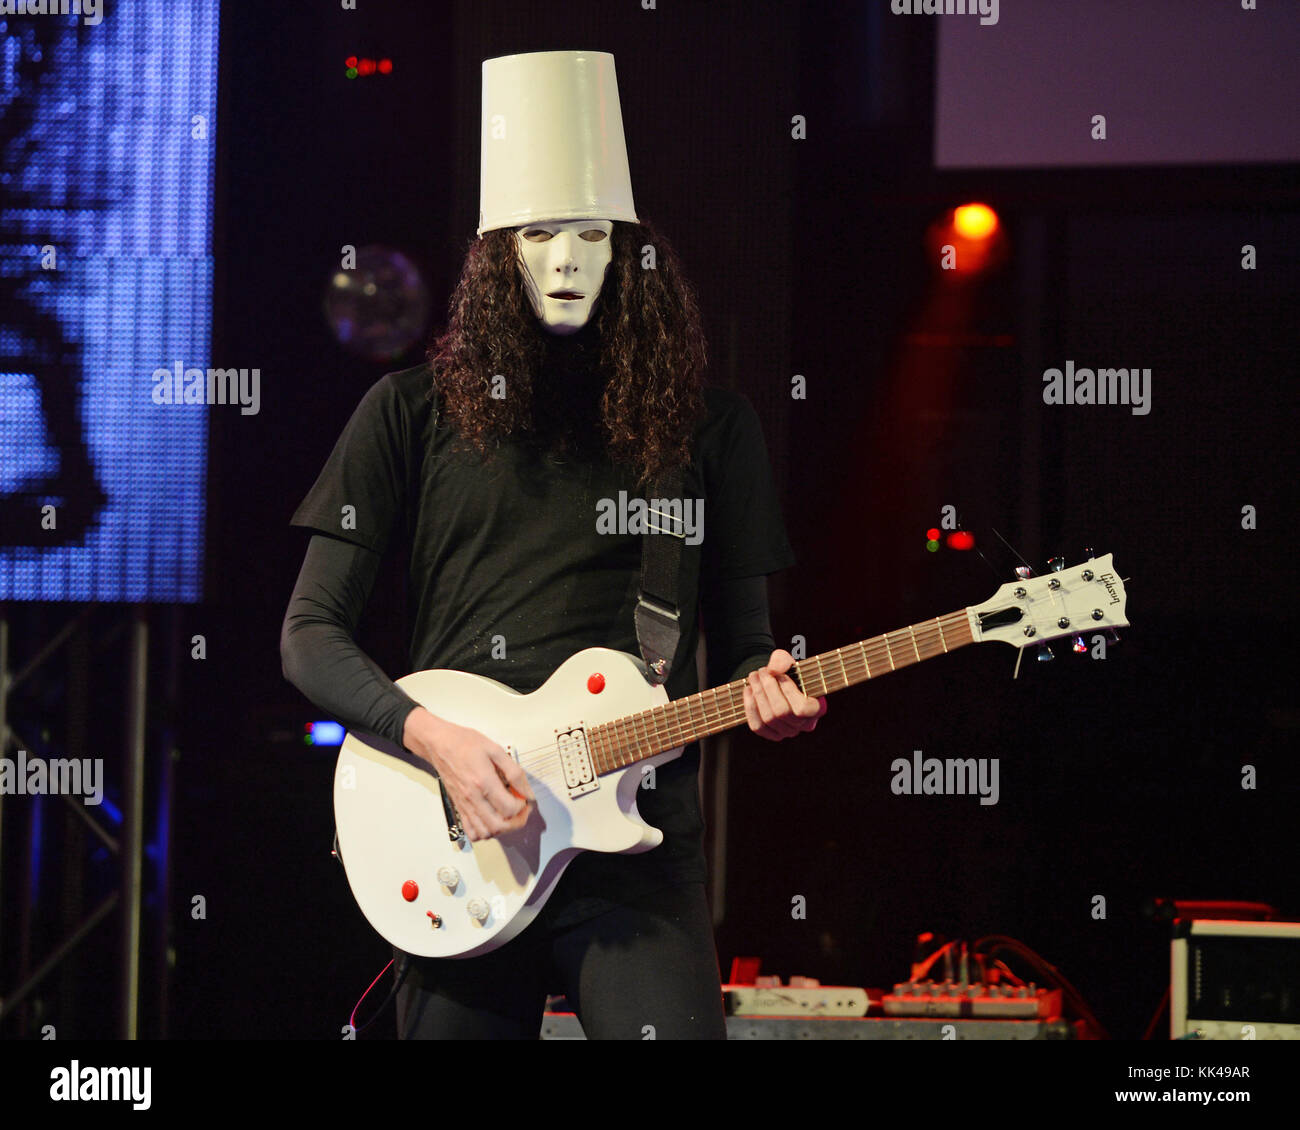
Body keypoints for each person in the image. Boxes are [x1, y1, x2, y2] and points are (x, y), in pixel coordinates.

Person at [279, 50, 826, 1039]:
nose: (567, 261)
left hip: (636, 851)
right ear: (497, 255)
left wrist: (770, 687)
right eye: (538, 234)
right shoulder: (406, 415)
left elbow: (747, 643)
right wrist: (433, 738)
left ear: (632, 254)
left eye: (590, 235)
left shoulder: (710, 431)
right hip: (464, 836)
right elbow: (310, 633)